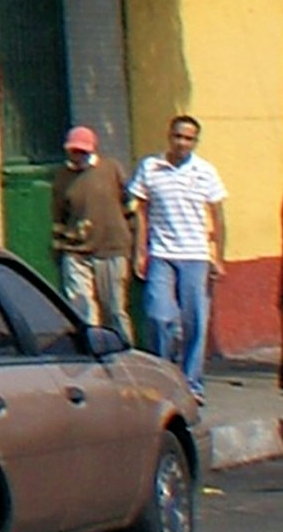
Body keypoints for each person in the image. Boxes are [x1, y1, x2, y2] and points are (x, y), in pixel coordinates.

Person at [129, 115, 229, 393]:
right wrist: (140, 252)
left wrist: (218, 257)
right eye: (178, 137)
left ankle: (192, 384)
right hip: (161, 255)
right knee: (158, 317)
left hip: (196, 256)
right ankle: (164, 378)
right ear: (169, 136)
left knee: (194, 321)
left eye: (189, 139)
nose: (182, 143)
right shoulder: (151, 168)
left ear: (195, 142)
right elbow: (141, 213)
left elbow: (218, 217)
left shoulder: (205, 172)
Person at [49, 124, 132, 344]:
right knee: (82, 306)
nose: (77, 156)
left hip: (111, 248)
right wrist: (58, 247)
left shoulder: (110, 169)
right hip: (76, 250)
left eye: (82, 151)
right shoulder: (62, 177)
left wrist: (134, 242)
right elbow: (59, 216)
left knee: (114, 309)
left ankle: (124, 351)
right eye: (73, 150)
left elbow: (129, 206)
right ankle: (91, 351)